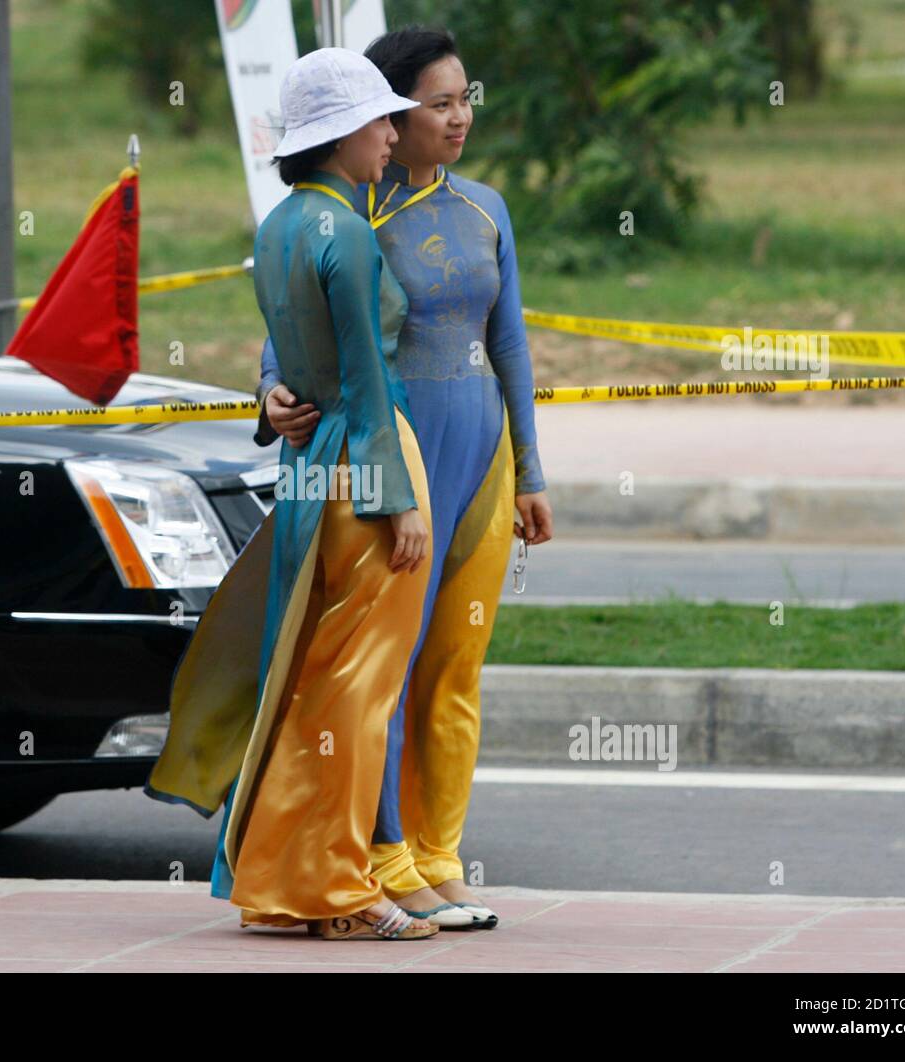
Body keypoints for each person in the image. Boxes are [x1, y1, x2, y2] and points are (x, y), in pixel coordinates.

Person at [254, 27, 554, 929]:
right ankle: (379, 857)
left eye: (467, 99)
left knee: (455, 668)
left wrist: (532, 472)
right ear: (384, 113)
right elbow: (296, 327)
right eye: (438, 103)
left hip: (483, 463)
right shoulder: (350, 216)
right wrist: (268, 391)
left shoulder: (488, 210)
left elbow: (510, 344)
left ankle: (438, 853)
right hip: (397, 461)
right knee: (383, 667)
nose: (459, 118)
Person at [145, 47, 441, 941]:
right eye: (383, 121)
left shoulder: (279, 226)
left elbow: (292, 370)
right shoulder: (347, 232)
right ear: (345, 133)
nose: (394, 136)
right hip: (369, 467)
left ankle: (285, 875)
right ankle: (343, 891)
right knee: (356, 691)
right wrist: (404, 503)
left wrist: (274, 410)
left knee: (310, 680)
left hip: (311, 474)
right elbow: (361, 376)